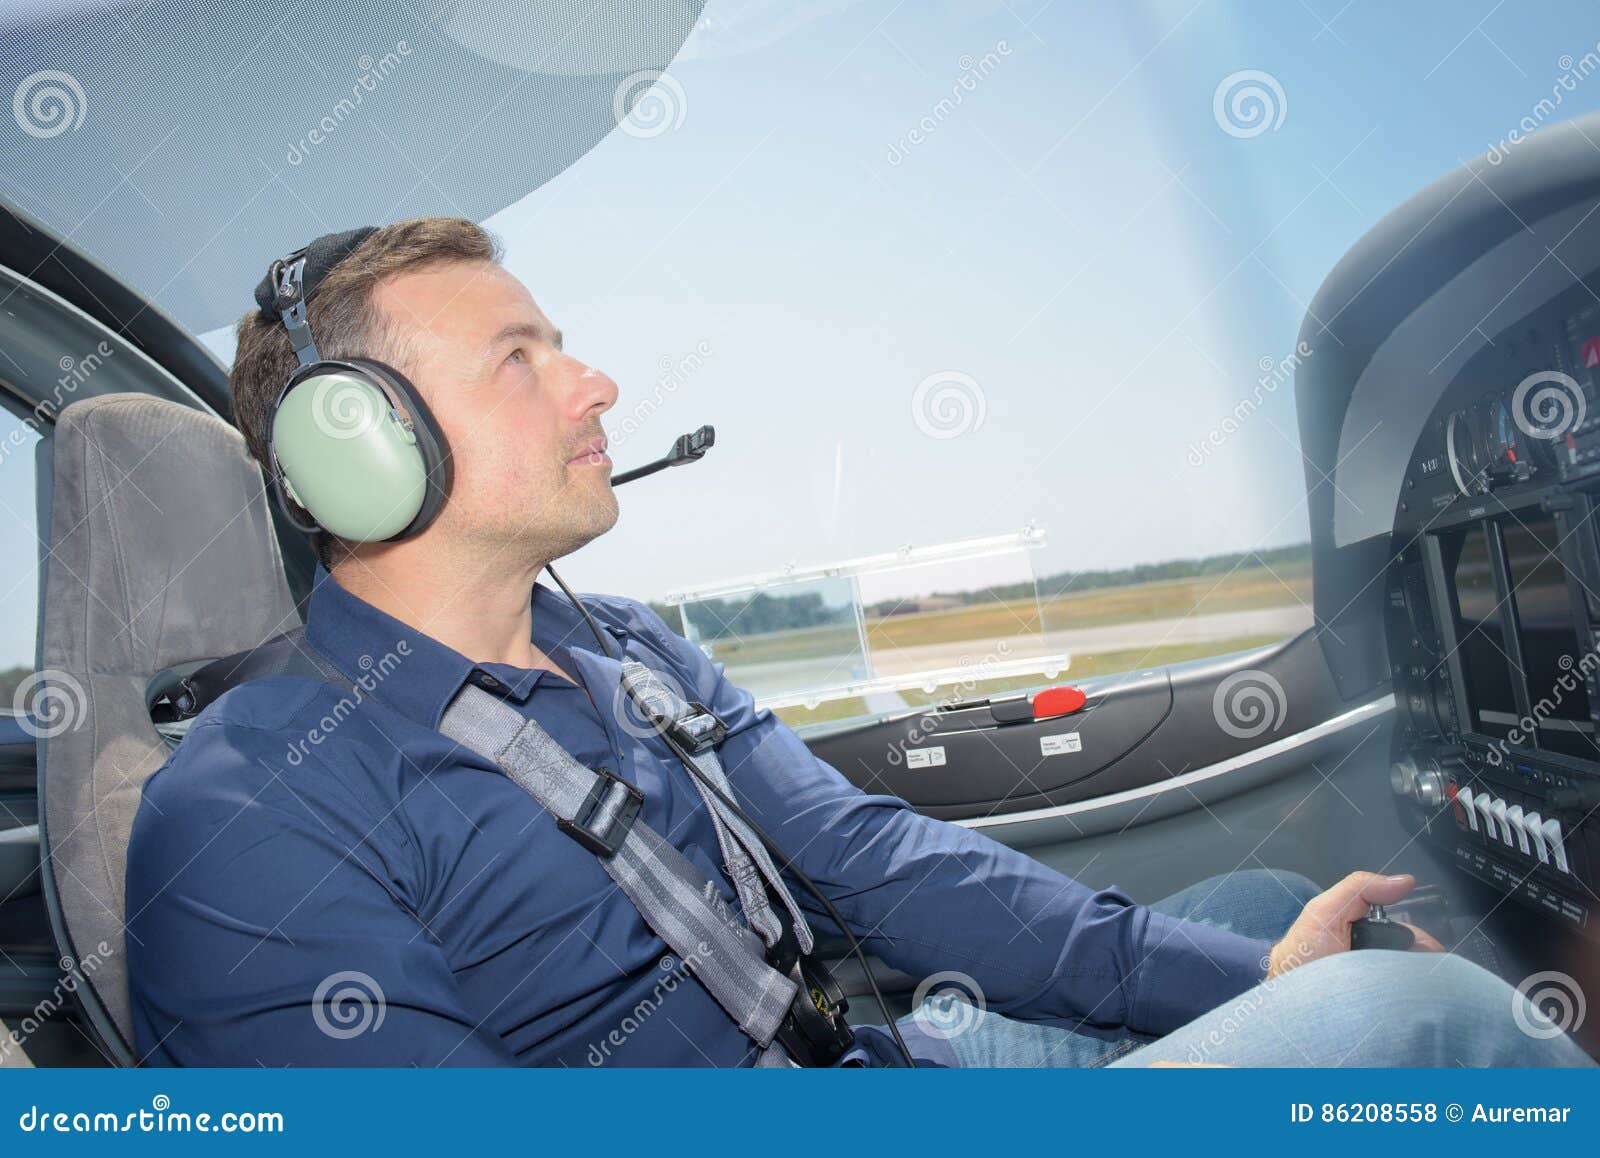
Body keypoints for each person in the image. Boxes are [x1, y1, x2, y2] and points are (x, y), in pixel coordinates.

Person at [123, 217, 1591, 1068]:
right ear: (356, 451)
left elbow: (880, 862)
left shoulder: (626, 650)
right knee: (1414, 1024)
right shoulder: (248, 815)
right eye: (523, 354)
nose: (597, 383)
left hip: (887, 1061)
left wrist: (1255, 980)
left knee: (1278, 911)